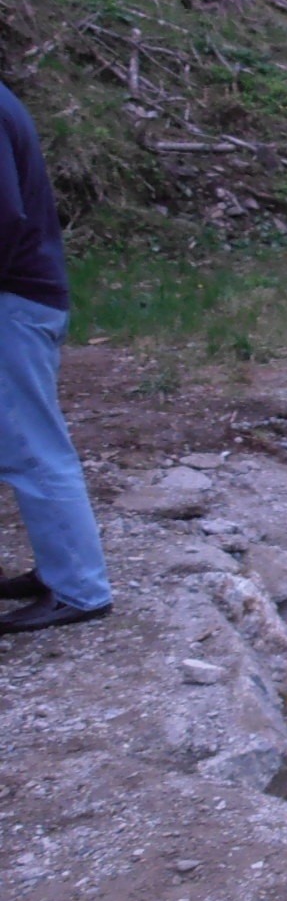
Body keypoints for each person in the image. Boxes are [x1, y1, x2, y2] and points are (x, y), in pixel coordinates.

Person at [0, 77, 111, 634]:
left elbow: (2, 215)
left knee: (32, 447)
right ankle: (58, 571)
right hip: (24, 294)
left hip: (12, 298)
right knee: (25, 443)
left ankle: (79, 590)